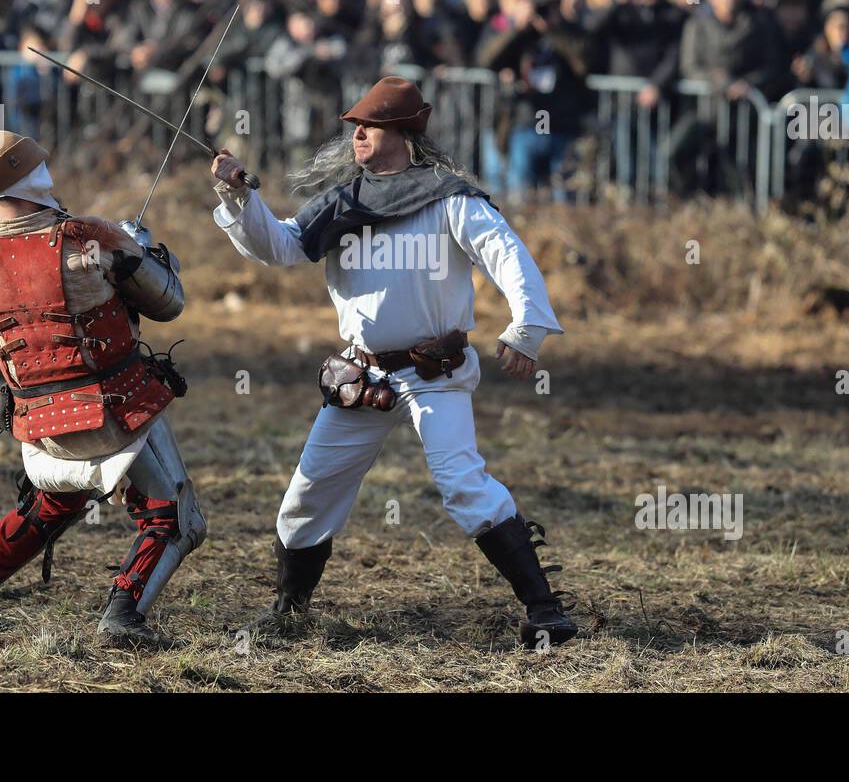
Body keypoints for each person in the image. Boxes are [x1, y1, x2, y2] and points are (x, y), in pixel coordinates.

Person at [207, 77, 577, 649]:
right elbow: (280, 247)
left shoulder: (450, 197)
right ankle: (287, 611)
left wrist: (525, 329)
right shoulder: (343, 201)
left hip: (436, 373)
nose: (356, 135)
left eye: (369, 126)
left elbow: (508, 256)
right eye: (353, 126)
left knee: (464, 486)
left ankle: (546, 611)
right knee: (307, 498)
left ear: (403, 132)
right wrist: (239, 197)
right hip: (362, 378)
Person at [0, 130, 205, 648]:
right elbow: (168, 303)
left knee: (55, 503)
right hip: (115, 410)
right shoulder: (88, 238)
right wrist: (140, 250)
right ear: (38, 176)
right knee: (176, 519)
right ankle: (122, 617)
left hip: (35, 416)